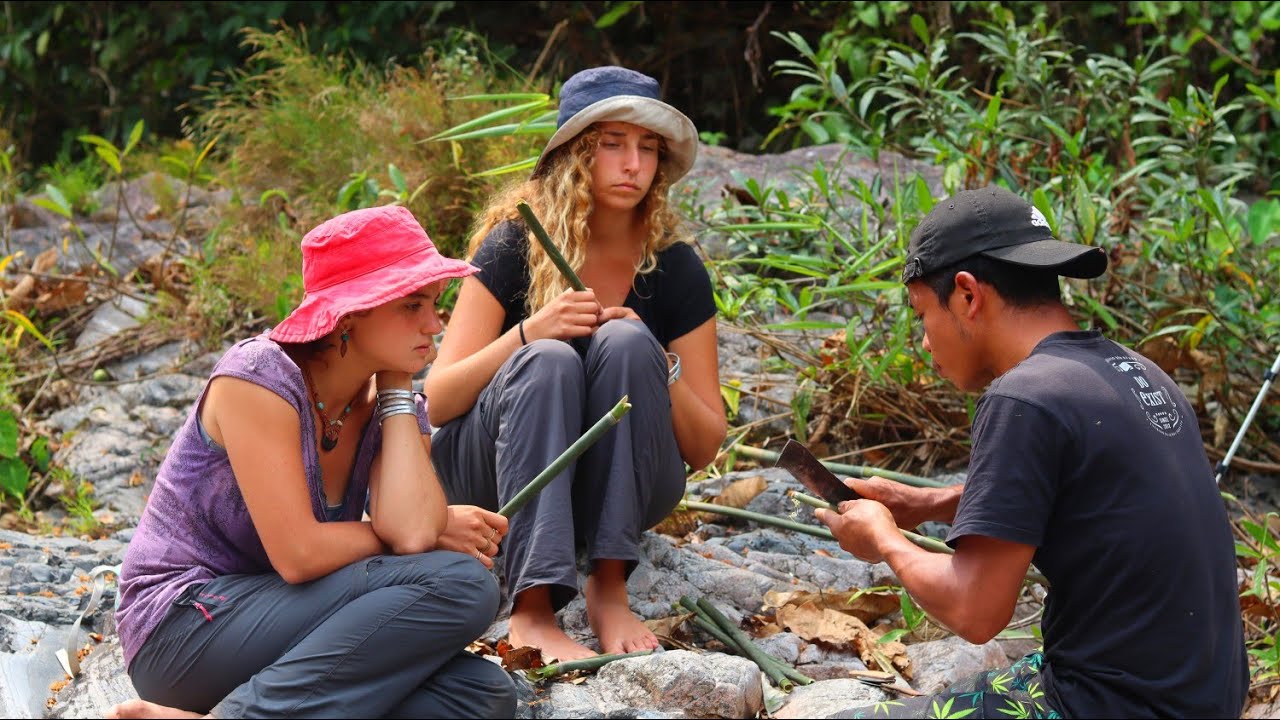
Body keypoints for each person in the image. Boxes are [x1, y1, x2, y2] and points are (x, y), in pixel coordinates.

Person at [815, 185, 1248, 718]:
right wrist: (926, 504)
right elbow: (1084, 495)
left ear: (968, 295)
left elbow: (975, 612)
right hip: (1198, 699)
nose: (925, 342)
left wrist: (883, 538)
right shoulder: (1131, 371)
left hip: (1109, 706)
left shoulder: (1025, 396)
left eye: (921, 314)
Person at [109, 205, 517, 719]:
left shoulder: (394, 406)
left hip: (289, 625)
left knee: (480, 696)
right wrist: (430, 530)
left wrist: (394, 386)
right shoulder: (257, 378)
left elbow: (411, 533)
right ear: (350, 314)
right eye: (413, 305)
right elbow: (299, 554)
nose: (435, 323)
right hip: (185, 629)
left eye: (435, 304)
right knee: (462, 583)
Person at [424, 66, 727, 662]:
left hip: (627, 484)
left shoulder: (676, 269)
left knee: (629, 345)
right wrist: (528, 334)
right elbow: (439, 399)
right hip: (495, 476)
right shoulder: (516, 244)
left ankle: (608, 585)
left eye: (646, 147)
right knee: (550, 361)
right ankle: (532, 606)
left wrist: (659, 364)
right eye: (611, 144)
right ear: (572, 155)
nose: (632, 164)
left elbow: (705, 446)